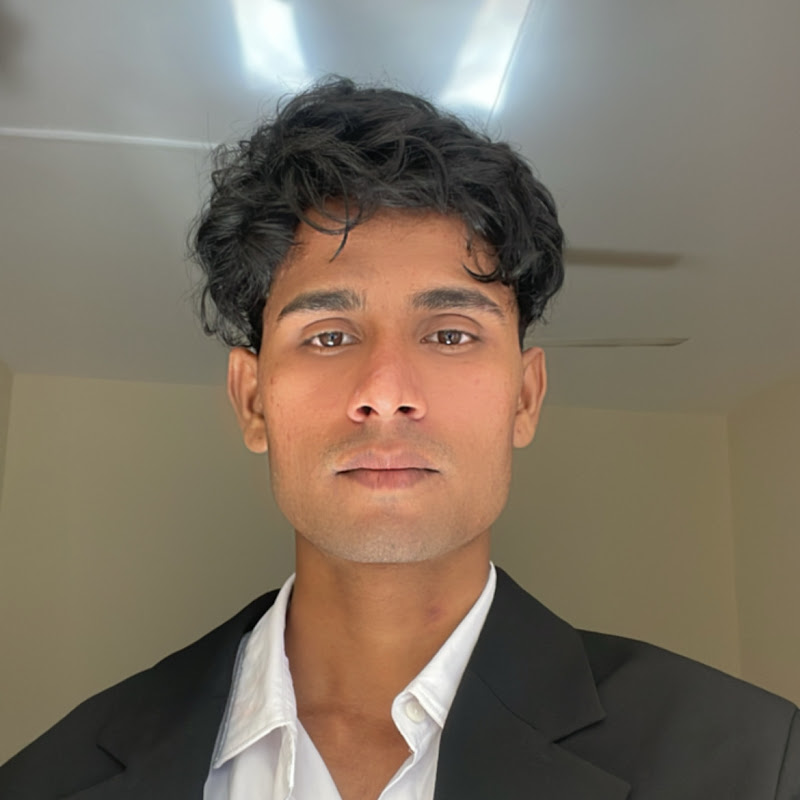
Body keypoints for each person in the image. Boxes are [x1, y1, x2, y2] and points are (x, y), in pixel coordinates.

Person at [1, 77, 797, 800]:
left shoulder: (755, 763)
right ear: (252, 401)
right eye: (328, 336)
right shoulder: (50, 779)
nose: (385, 393)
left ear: (525, 397)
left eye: (450, 335)